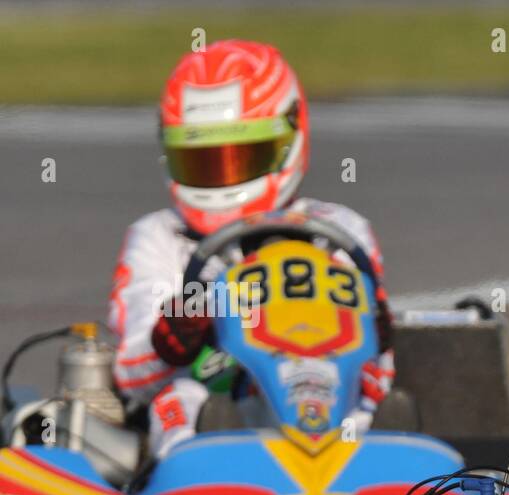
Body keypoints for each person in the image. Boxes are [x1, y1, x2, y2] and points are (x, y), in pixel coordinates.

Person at [109, 39, 394, 459]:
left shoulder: (340, 231)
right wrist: (168, 345)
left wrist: (377, 339)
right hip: (215, 409)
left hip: (331, 410)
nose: (222, 179)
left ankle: (386, 490)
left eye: (238, 158)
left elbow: (380, 379)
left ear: (286, 142)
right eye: (202, 162)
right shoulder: (160, 238)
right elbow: (131, 379)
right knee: (182, 400)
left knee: (377, 414)